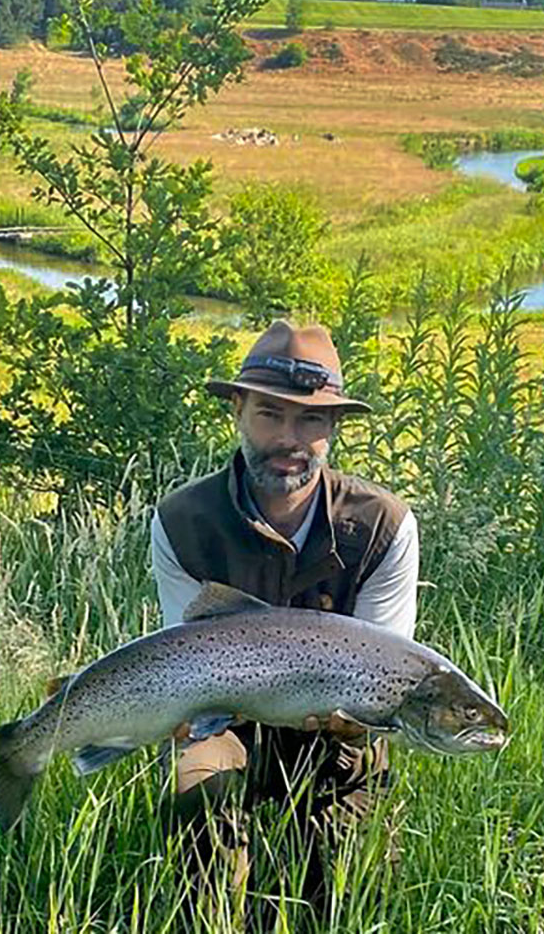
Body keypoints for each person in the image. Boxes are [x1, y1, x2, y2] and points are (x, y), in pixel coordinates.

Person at [150, 319, 419, 920]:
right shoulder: (180, 521)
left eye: (310, 420)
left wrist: (356, 726)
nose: (289, 439)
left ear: (333, 429)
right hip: (224, 728)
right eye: (270, 415)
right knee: (199, 796)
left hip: (338, 741)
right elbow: (183, 662)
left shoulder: (385, 527)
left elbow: (388, 681)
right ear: (238, 412)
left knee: (350, 896)